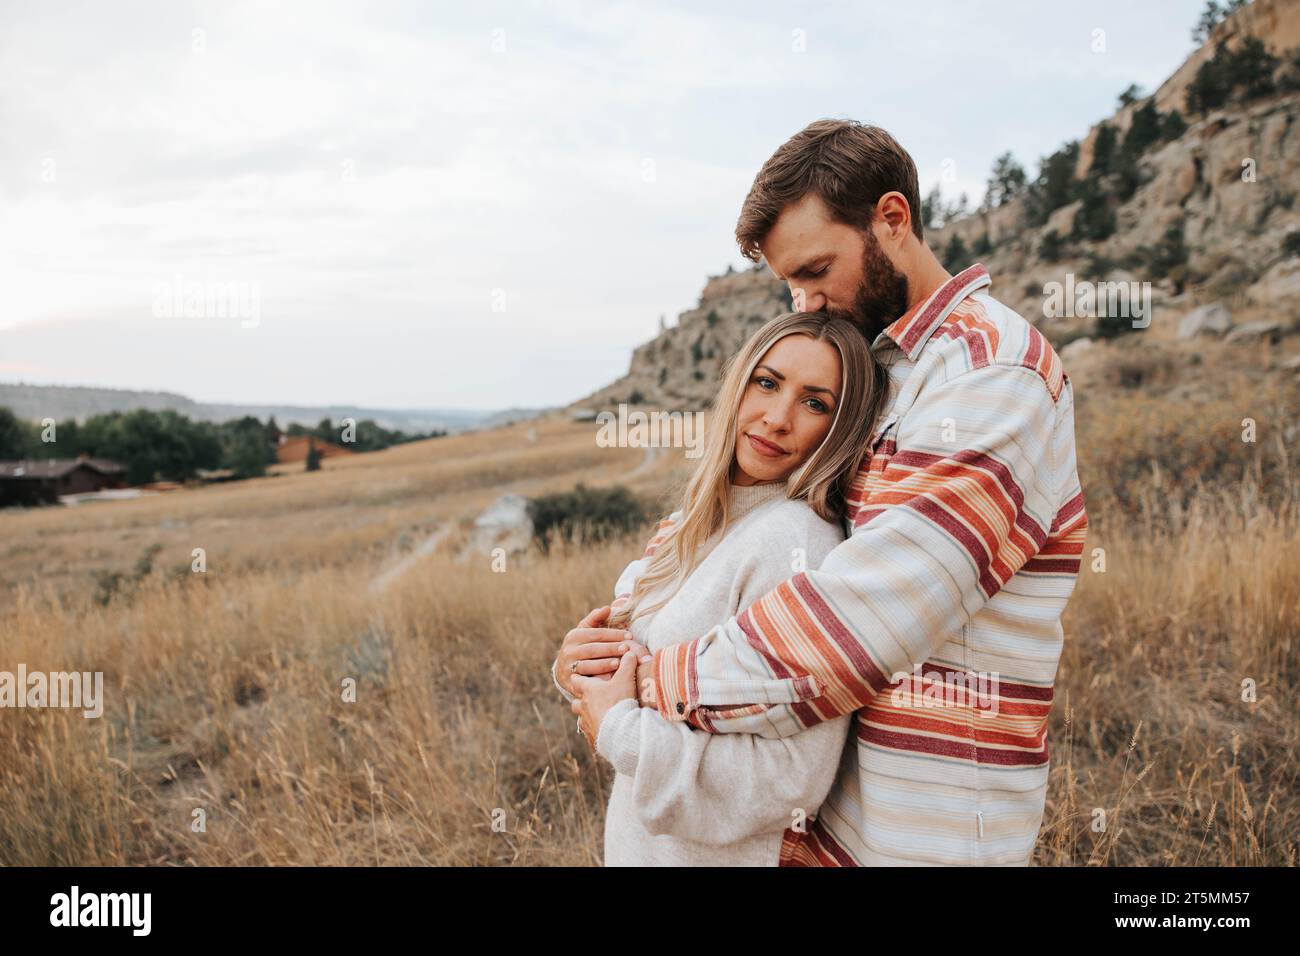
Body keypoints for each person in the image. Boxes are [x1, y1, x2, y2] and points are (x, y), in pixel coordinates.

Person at [571, 119, 1087, 866]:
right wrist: (605, 648)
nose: (805, 302)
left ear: (892, 220)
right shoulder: (880, 369)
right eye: (789, 282)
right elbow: (743, 515)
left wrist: (647, 680)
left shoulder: (989, 374)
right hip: (823, 827)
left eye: (816, 269)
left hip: (927, 832)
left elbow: (868, 613)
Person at [552, 311, 889, 865]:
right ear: (739, 385)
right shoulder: (695, 523)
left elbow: (792, 780)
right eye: (768, 382)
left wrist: (619, 730)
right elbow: (624, 670)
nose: (778, 418)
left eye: (815, 403)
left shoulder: (794, 543)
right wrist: (576, 668)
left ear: (839, 428)